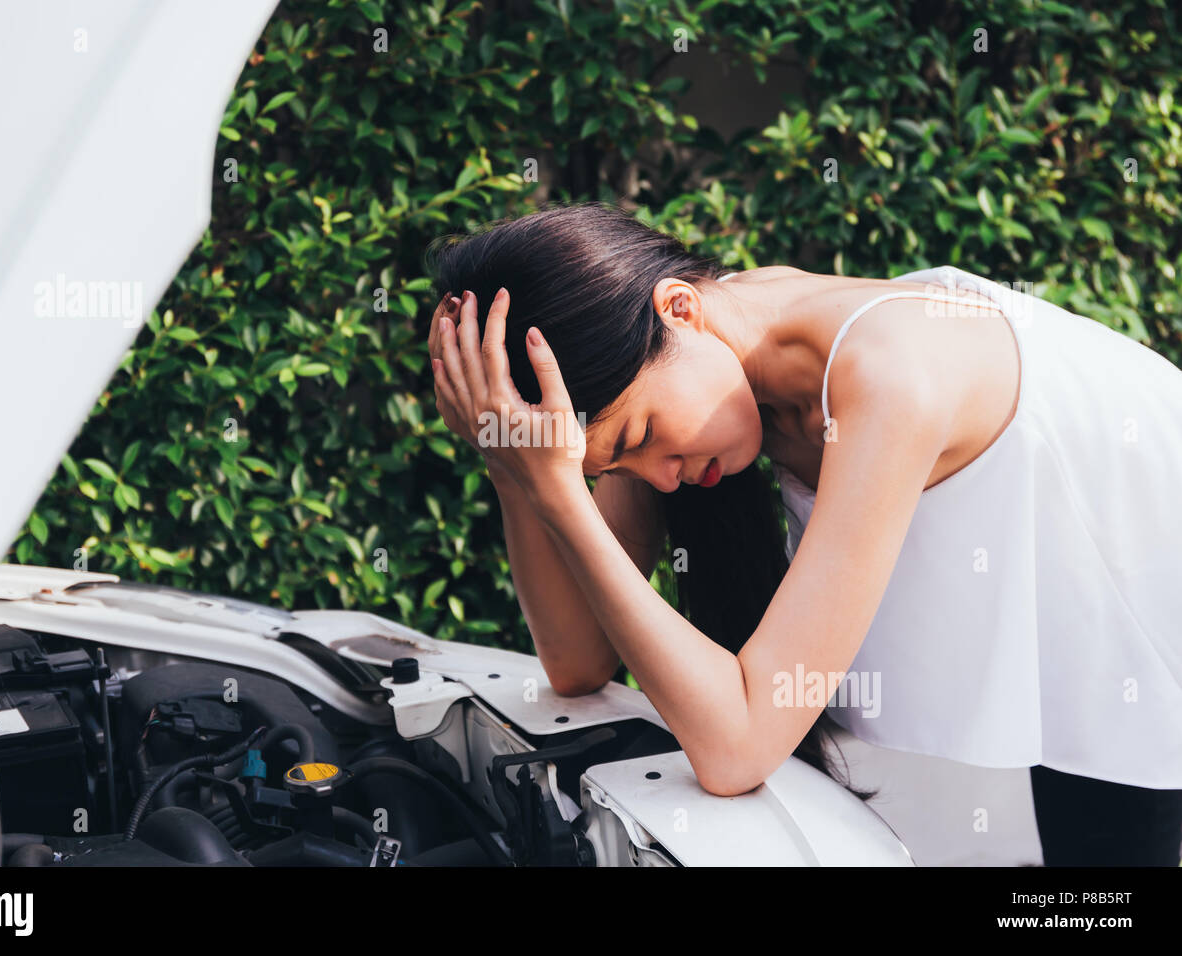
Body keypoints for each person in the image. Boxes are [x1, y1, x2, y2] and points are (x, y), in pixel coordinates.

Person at [423, 200, 1182, 866]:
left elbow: (738, 745)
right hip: (1092, 654)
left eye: (640, 436)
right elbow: (578, 659)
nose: (654, 477)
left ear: (678, 310)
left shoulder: (891, 376)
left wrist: (559, 490)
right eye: (613, 463)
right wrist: (516, 467)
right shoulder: (678, 367)